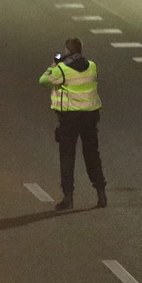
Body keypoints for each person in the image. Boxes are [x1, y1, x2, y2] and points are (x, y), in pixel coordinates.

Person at [39, 37, 104, 210]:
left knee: (67, 157)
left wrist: (53, 65)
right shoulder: (92, 66)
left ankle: (68, 197)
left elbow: (43, 81)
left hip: (70, 119)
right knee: (92, 155)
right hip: (90, 116)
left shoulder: (61, 69)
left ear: (68, 51)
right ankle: (101, 193)